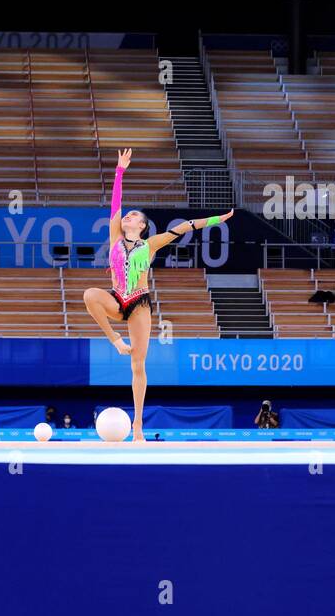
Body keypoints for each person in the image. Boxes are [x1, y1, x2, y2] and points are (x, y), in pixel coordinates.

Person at [83, 148, 234, 442]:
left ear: (142, 226)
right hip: (116, 298)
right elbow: (115, 204)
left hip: (139, 303)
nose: (128, 216)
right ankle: (114, 340)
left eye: (134, 216)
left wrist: (217, 219)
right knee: (90, 294)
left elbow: (184, 228)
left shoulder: (150, 244)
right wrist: (119, 171)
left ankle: (138, 425)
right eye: (127, 215)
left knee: (138, 364)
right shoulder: (115, 236)